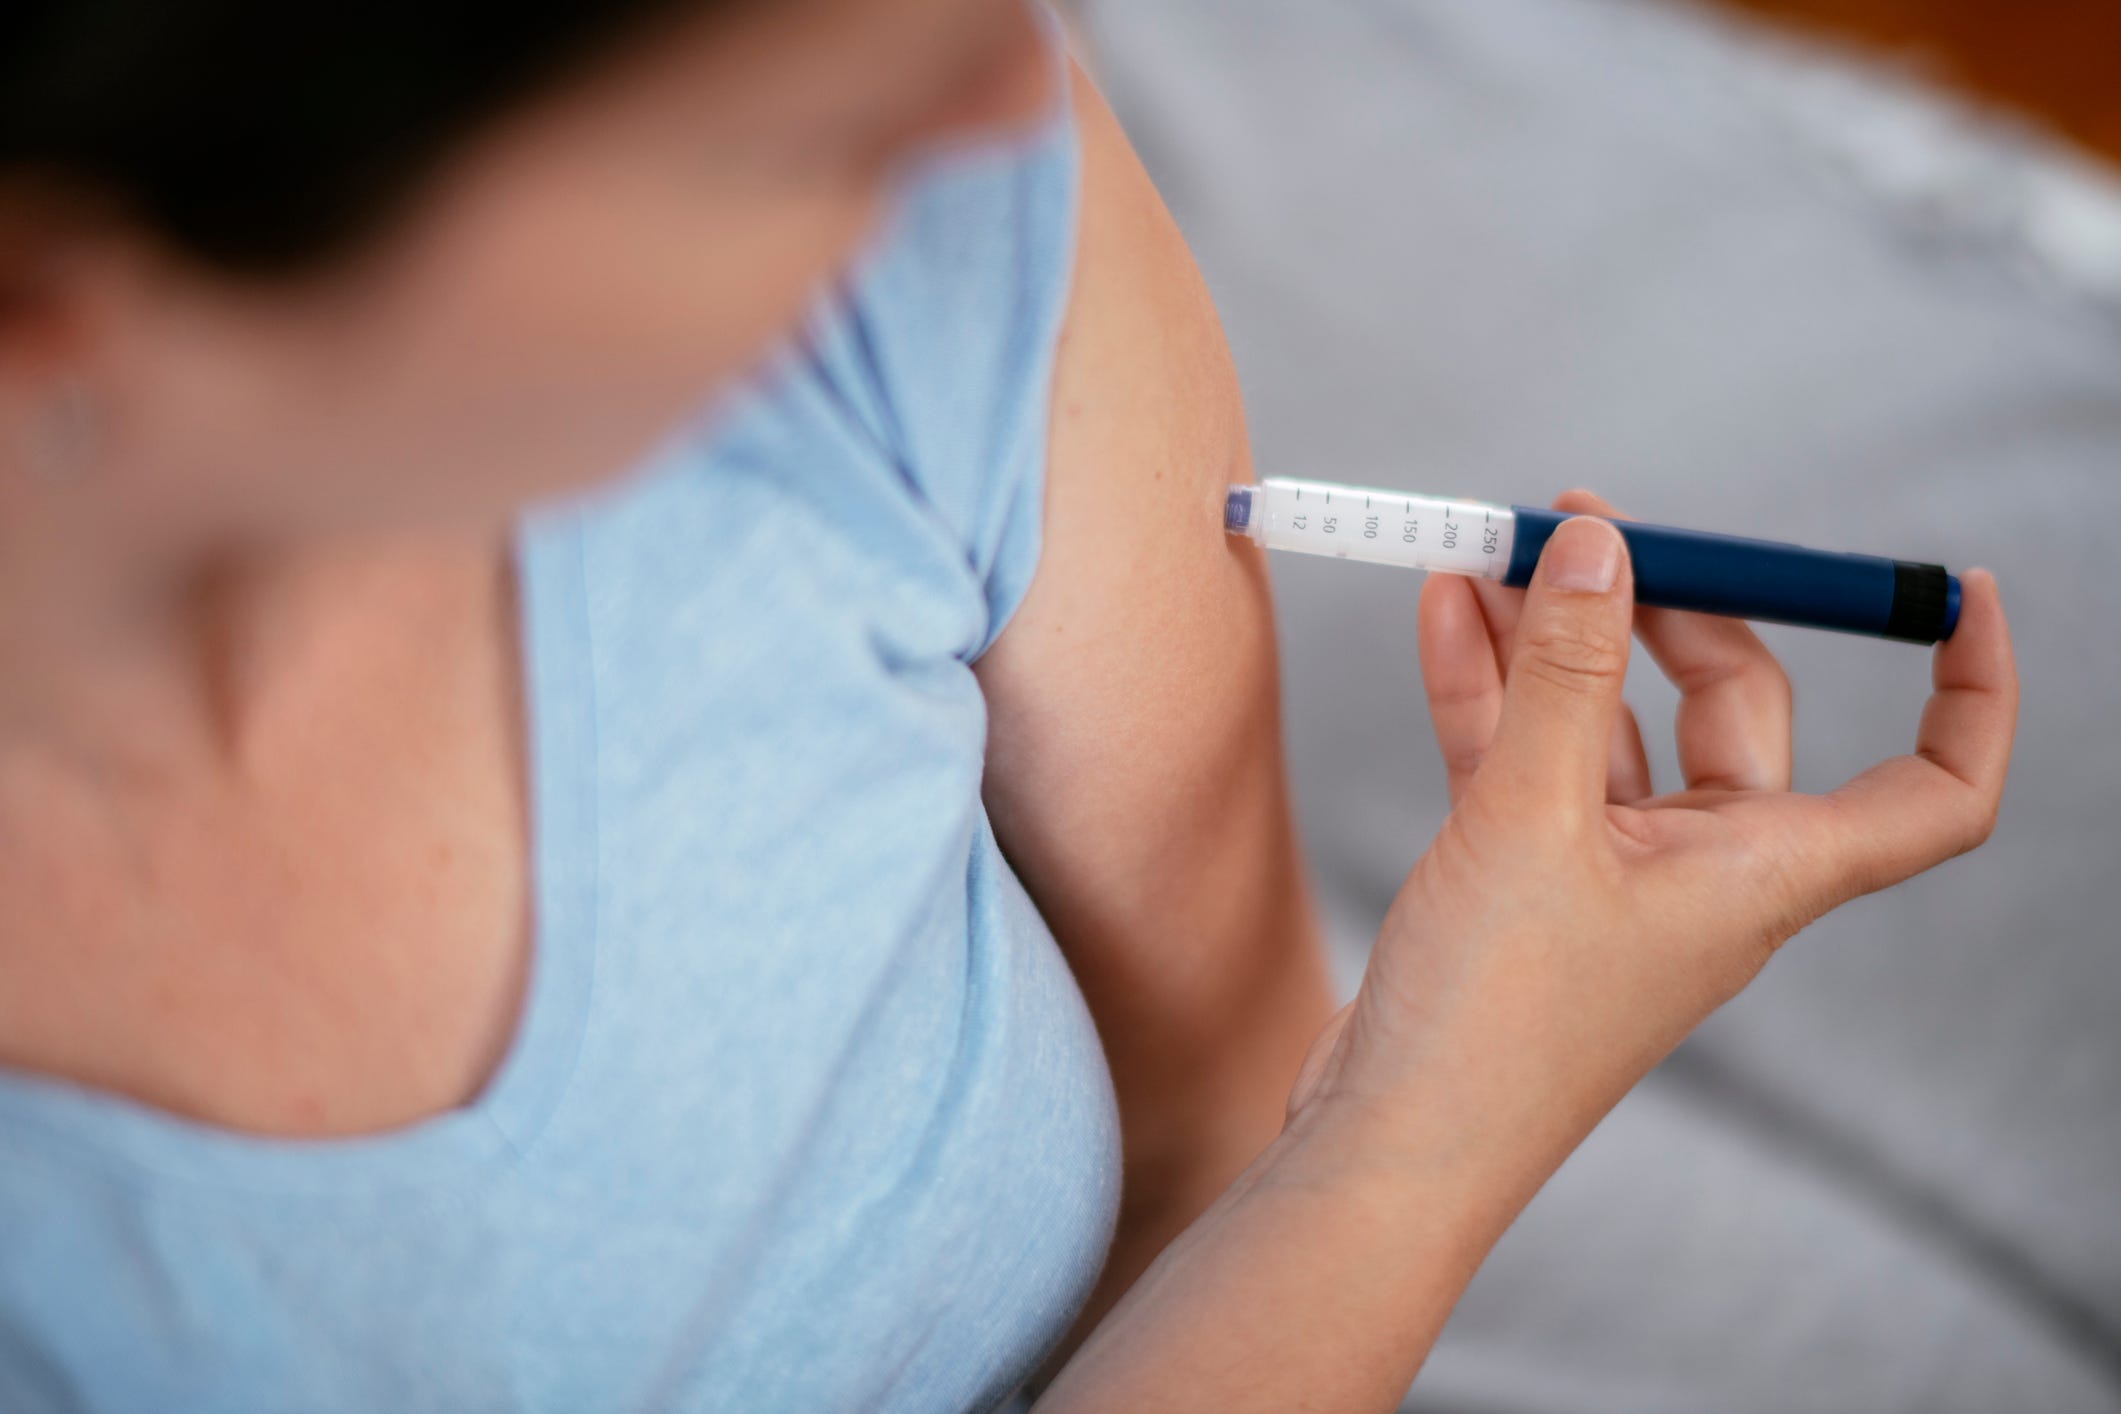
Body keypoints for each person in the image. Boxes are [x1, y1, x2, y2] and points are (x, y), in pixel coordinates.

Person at [0, 1, 2017, 1409]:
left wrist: (1397, 1120)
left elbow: (1227, 1102)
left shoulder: (954, 200)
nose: (1008, 94)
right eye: (777, 140)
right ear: (55, 309)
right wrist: (1434, 1137)